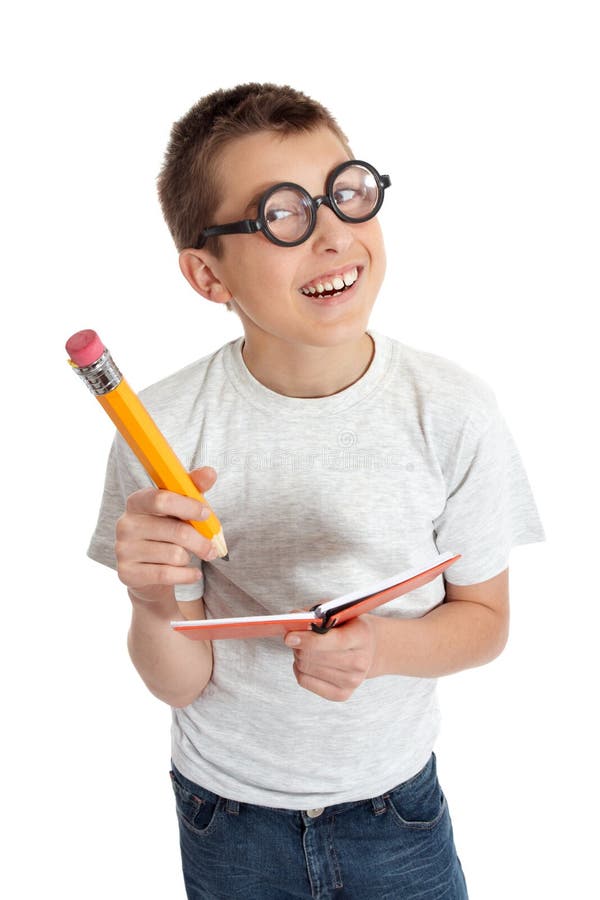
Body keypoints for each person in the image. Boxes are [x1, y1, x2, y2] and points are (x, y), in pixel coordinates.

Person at [88, 83, 545, 899]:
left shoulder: (453, 411)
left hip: (395, 808)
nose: (334, 235)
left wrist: (380, 651)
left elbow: (485, 623)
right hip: (226, 815)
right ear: (207, 274)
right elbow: (177, 681)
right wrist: (153, 604)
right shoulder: (160, 431)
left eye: (346, 194)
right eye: (281, 215)